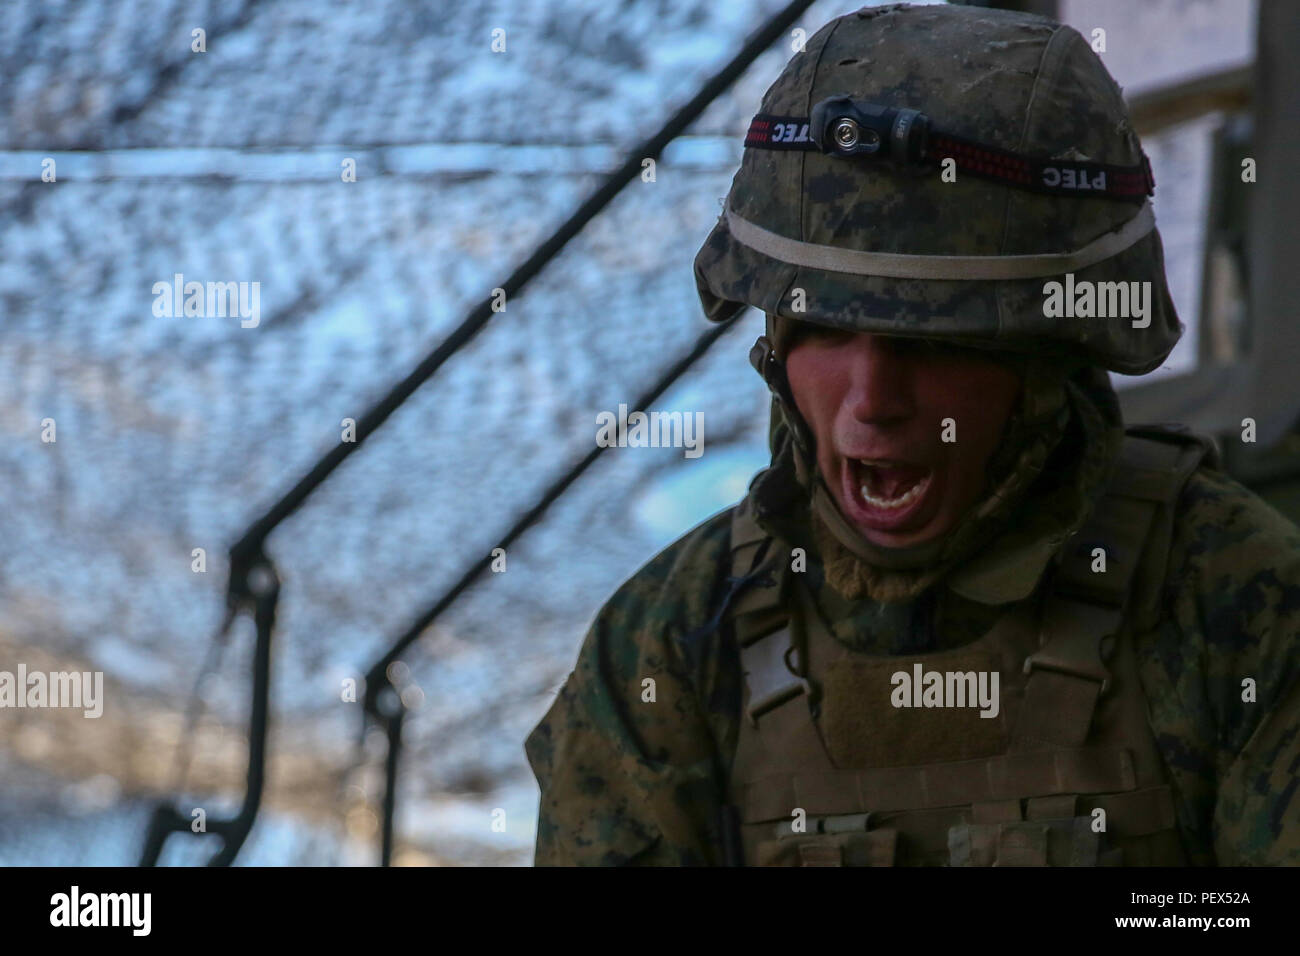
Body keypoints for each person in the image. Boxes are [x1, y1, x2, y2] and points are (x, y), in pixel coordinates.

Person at [525, 2, 1300, 866]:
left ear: (1043, 360)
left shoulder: (1233, 599)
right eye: (823, 330)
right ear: (776, 347)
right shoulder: (669, 643)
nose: (874, 400)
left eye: (933, 342)